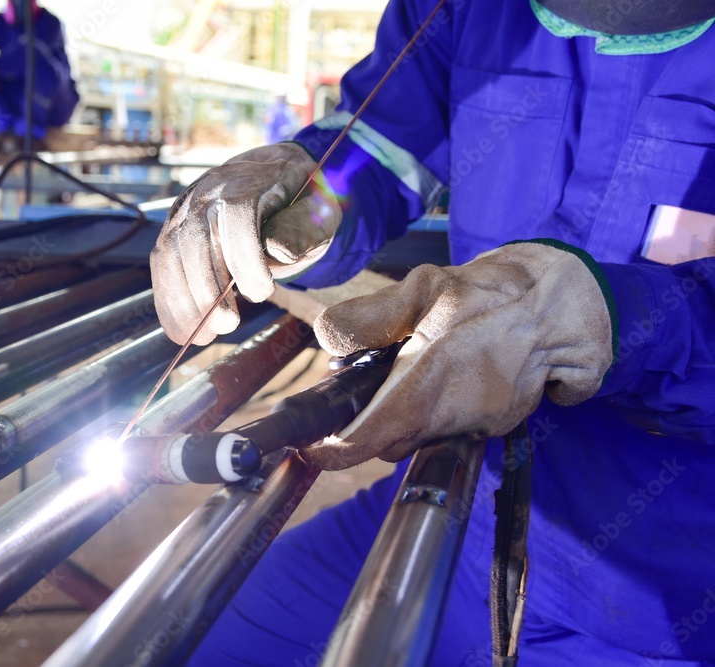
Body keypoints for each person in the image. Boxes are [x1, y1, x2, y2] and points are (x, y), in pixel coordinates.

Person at [150, 0, 715, 665]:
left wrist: (616, 320)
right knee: (182, 644)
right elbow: (376, 152)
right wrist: (299, 206)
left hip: (665, 592)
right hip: (457, 506)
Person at [0, 0, 79, 152]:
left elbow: (26, 54)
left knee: (37, 60)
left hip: (54, 106)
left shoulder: (50, 23)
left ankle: (31, 133)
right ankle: (3, 130)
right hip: (16, 103)